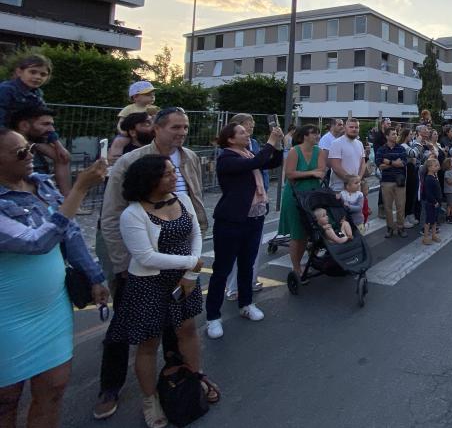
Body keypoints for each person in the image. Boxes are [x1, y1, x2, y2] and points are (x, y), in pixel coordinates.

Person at [95, 107, 208, 420]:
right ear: (156, 128)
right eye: (175, 127)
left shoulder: (189, 158)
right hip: (142, 263)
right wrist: (122, 267)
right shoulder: (132, 162)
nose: (181, 133)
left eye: (185, 127)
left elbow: (194, 203)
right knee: (129, 333)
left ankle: (183, 383)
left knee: (181, 329)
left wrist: (190, 266)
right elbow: (111, 215)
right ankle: (110, 388)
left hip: (183, 259)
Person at [0, 129, 108, 428]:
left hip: (51, 310)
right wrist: (79, 190)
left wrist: (94, 276)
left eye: (30, 148)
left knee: (53, 390)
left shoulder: (42, 184)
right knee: (6, 401)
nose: (31, 155)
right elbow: (36, 242)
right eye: (21, 152)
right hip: (6, 318)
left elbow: (70, 233)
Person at [205, 122, 283, 340]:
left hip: (254, 217)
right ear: (230, 139)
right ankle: (213, 316)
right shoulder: (227, 158)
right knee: (222, 269)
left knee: (247, 265)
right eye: (241, 132)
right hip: (231, 220)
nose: (246, 134)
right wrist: (270, 142)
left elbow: (270, 163)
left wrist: (278, 147)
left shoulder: (247, 153)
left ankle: (246, 304)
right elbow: (258, 162)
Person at [0, 54, 71, 194]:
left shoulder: (37, 94)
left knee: (62, 158)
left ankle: (67, 198)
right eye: (33, 72)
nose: (38, 77)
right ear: (19, 72)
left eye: (43, 74)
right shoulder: (6, 90)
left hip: (29, 137)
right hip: (8, 138)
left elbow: (45, 122)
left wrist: (59, 146)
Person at [223, 114, 269, 302]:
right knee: (236, 248)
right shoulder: (228, 154)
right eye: (246, 126)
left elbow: (264, 164)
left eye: (251, 125)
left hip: (258, 200)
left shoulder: (255, 144)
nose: (250, 129)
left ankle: (250, 281)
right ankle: (232, 287)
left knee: (254, 247)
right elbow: (253, 164)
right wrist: (271, 143)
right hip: (240, 204)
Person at [278, 124, 324, 285]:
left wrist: (308, 174)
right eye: (314, 133)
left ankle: (301, 264)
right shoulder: (294, 151)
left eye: (318, 133)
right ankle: (296, 267)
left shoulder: (319, 151)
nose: (317, 136)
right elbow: (290, 174)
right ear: (305, 136)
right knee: (296, 234)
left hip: (311, 195)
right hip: (295, 195)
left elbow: (321, 171)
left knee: (306, 232)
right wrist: (311, 173)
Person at [376, 128, 408, 237]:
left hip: (400, 181)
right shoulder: (381, 149)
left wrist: (388, 162)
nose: (395, 135)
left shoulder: (401, 148)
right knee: (388, 207)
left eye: (396, 134)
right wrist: (395, 163)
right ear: (387, 136)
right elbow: (380, 165)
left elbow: (403, 163)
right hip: (386, 181)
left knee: (400, 206)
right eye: (393, 134)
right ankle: (390, 228)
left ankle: (400, 227)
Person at [327, 118, 365, 193]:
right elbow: (336, 167)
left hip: (356, 188)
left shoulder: (360, 144)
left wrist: (358, 179)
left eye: (356, 127)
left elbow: (363, 163)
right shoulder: (336, 143)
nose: (354, 129)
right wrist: (351, 180)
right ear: (345, 128)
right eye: (351, 127)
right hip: (339, 189)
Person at [421, 157, 443, 245]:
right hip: (431, 203)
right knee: (428, 221)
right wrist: (435, 202)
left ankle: (434, 235)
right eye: (436, 166)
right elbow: (428, 193)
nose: (438, 167)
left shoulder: (434, 176)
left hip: (436, 203)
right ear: (429, 167)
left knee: (434, 220)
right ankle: (425, 237)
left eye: (437, 165)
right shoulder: (429, 179)